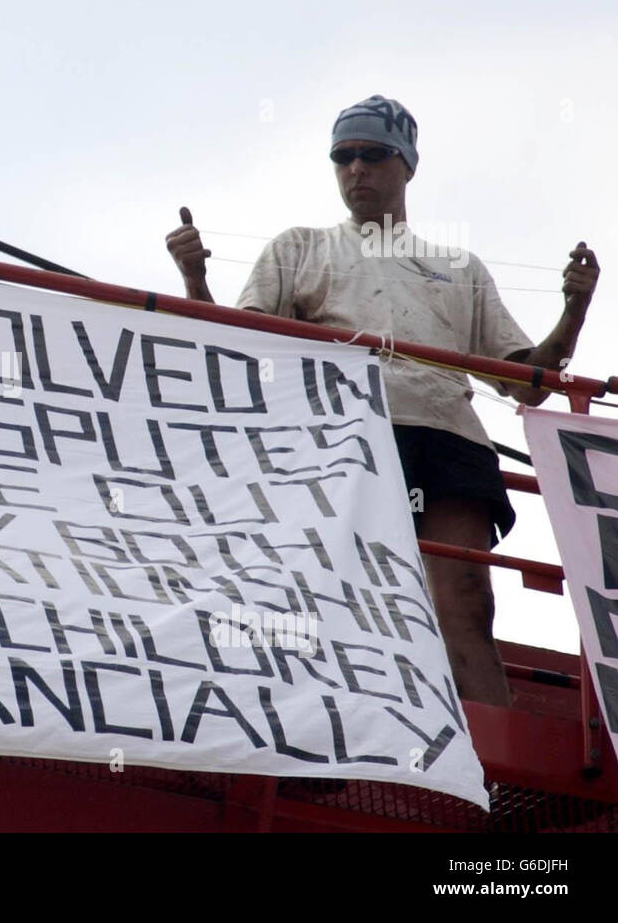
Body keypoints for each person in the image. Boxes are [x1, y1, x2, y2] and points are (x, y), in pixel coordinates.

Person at [164, 94, 600, 707]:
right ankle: (318, 744)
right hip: (341, 439)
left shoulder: (459, 265)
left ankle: (488, 767)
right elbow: (241, 350)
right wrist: (194, 281)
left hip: (450, 443)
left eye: (373, 153)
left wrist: (574, 311)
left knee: (467, 604)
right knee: (326, 597)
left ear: (407, 165)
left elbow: (527, 379)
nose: (356, 168)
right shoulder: (300, 247)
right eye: (343, 156)